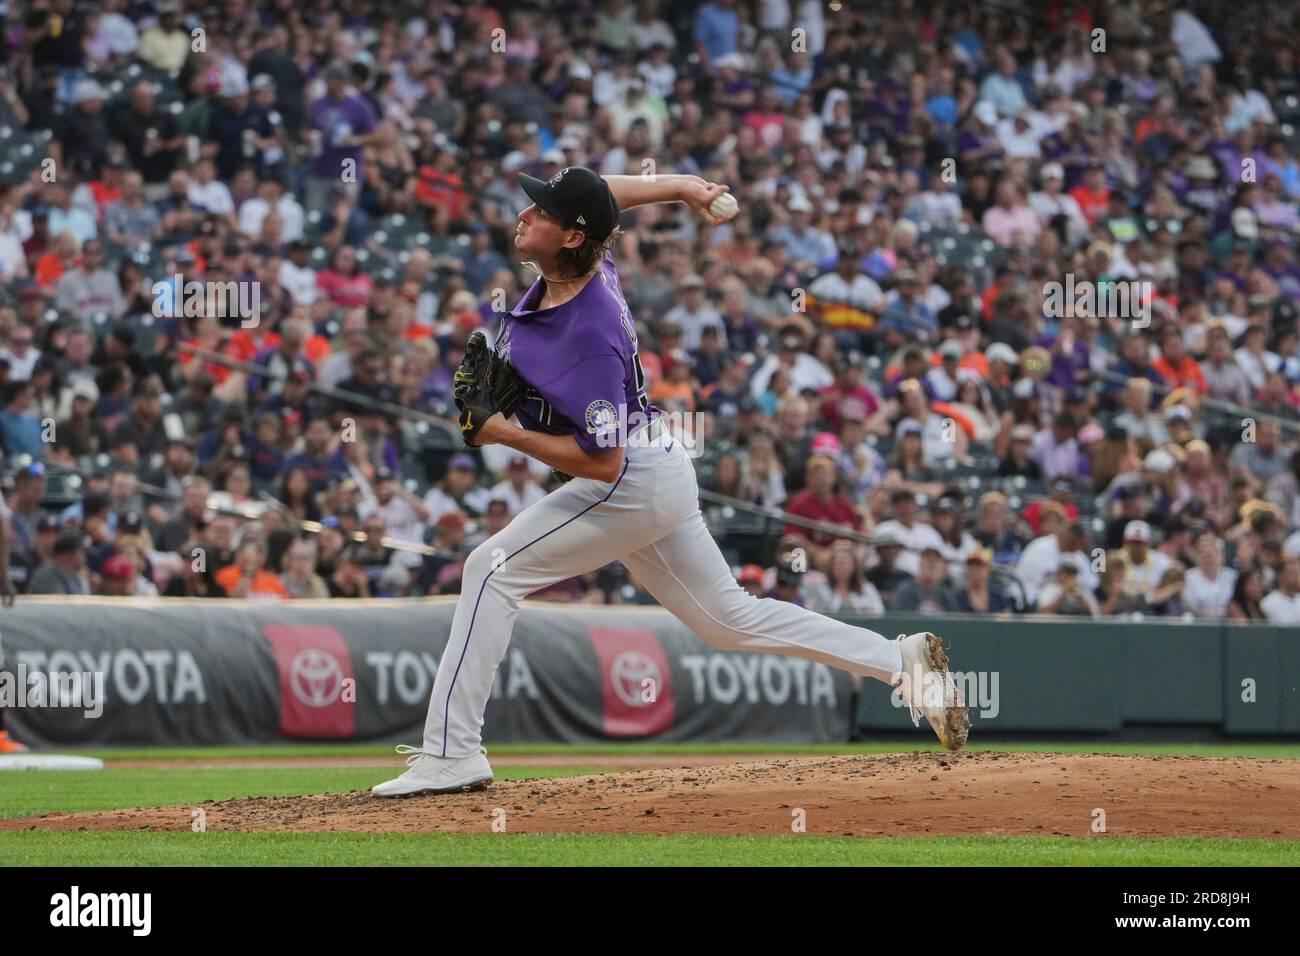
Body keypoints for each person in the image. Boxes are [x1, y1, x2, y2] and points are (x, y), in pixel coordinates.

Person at [373, 169, 969, 797]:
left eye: (541, 210)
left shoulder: (589, 330)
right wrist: (683, 185)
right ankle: (897, 662)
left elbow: (601, 463)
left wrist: (502, 433)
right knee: (727, 621)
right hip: (657, 466)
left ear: (573, 237)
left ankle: (452, 753)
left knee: (491, 570)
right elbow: (600, 196)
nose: (525, 213)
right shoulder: (586, 263)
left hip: (630, 479)